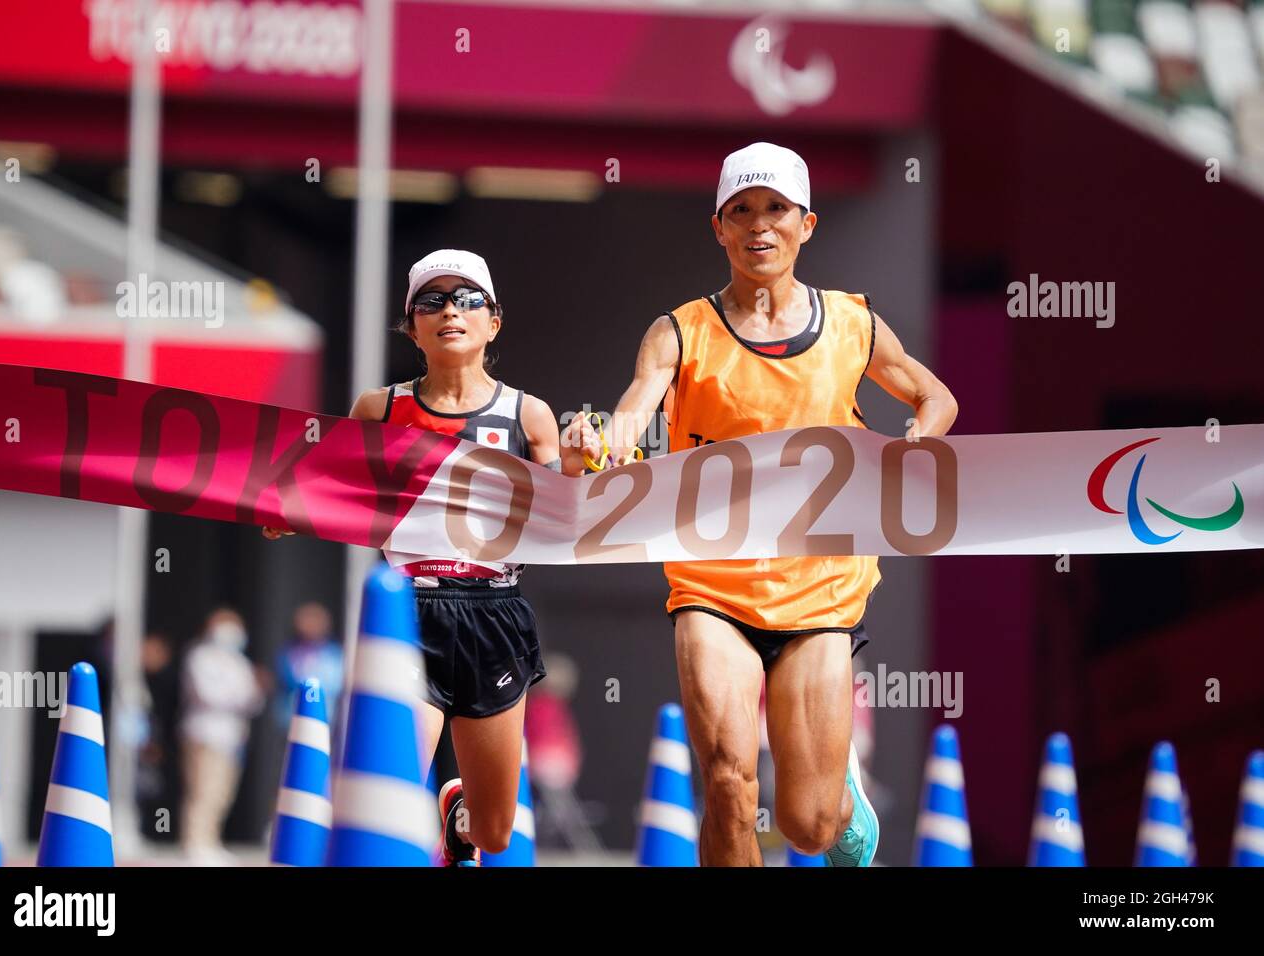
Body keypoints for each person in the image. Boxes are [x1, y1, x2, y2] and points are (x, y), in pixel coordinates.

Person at [565, 142, 958, 866]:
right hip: (711, 585)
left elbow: (936, 396)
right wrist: (595, 442)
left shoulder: (851, 325)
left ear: (806, 224)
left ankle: (837, 794)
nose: (759, 226)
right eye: (740, 211)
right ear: (718, 228)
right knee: (727, 783)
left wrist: (914, 440)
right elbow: (627, 424)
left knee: (809, 826)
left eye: (776, 210)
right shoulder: (679, 333)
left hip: (819, 590)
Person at [346, 249, 586, 865]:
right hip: (407, 615)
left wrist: (585, 465)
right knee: (390, 791)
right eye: (433, 301)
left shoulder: (526, 414)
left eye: (467, 299)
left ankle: (459, 815)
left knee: (495, 832)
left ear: (493, 321)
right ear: (413, 325)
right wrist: (282, 515)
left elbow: (564, 513)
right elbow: (332, 488)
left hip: (494, 613)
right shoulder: (379, 409)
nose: (450, 311)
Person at [178, 608, 266, 865]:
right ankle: (195, 844)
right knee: (203, 789)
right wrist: (239, 697)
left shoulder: (239, 661)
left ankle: (210, 841)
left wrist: (251, 692)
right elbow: (207, 695)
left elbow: (253, 699)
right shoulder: (199, 656)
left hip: (232, 736)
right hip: (204, 733)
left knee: (222, 793)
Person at [274, 602, 344, 728]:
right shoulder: (289, 651)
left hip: (325, 716)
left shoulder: (333, 653)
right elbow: (285, 679)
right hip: (292, 717)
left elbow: (336, 683)